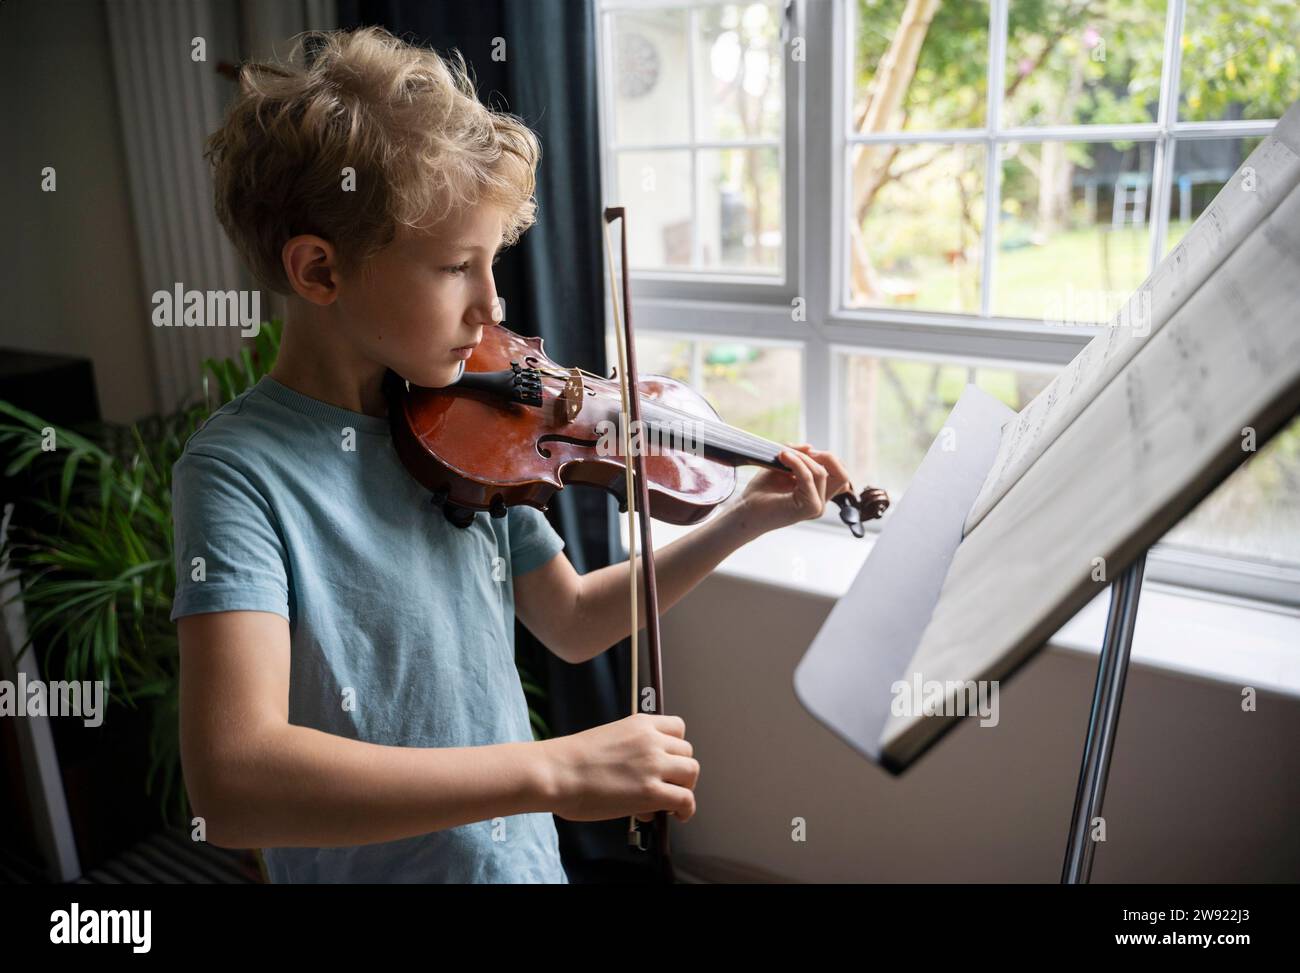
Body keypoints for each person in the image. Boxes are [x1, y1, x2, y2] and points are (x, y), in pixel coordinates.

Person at [173, 25, 854, 883]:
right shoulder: (239, 473)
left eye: (492, 261)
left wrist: (742, 520)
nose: (491, 304)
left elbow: (570, 620)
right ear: (318, 271)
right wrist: (553, 770)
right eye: (457, 266)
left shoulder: (467, 435)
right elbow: (233, 782)